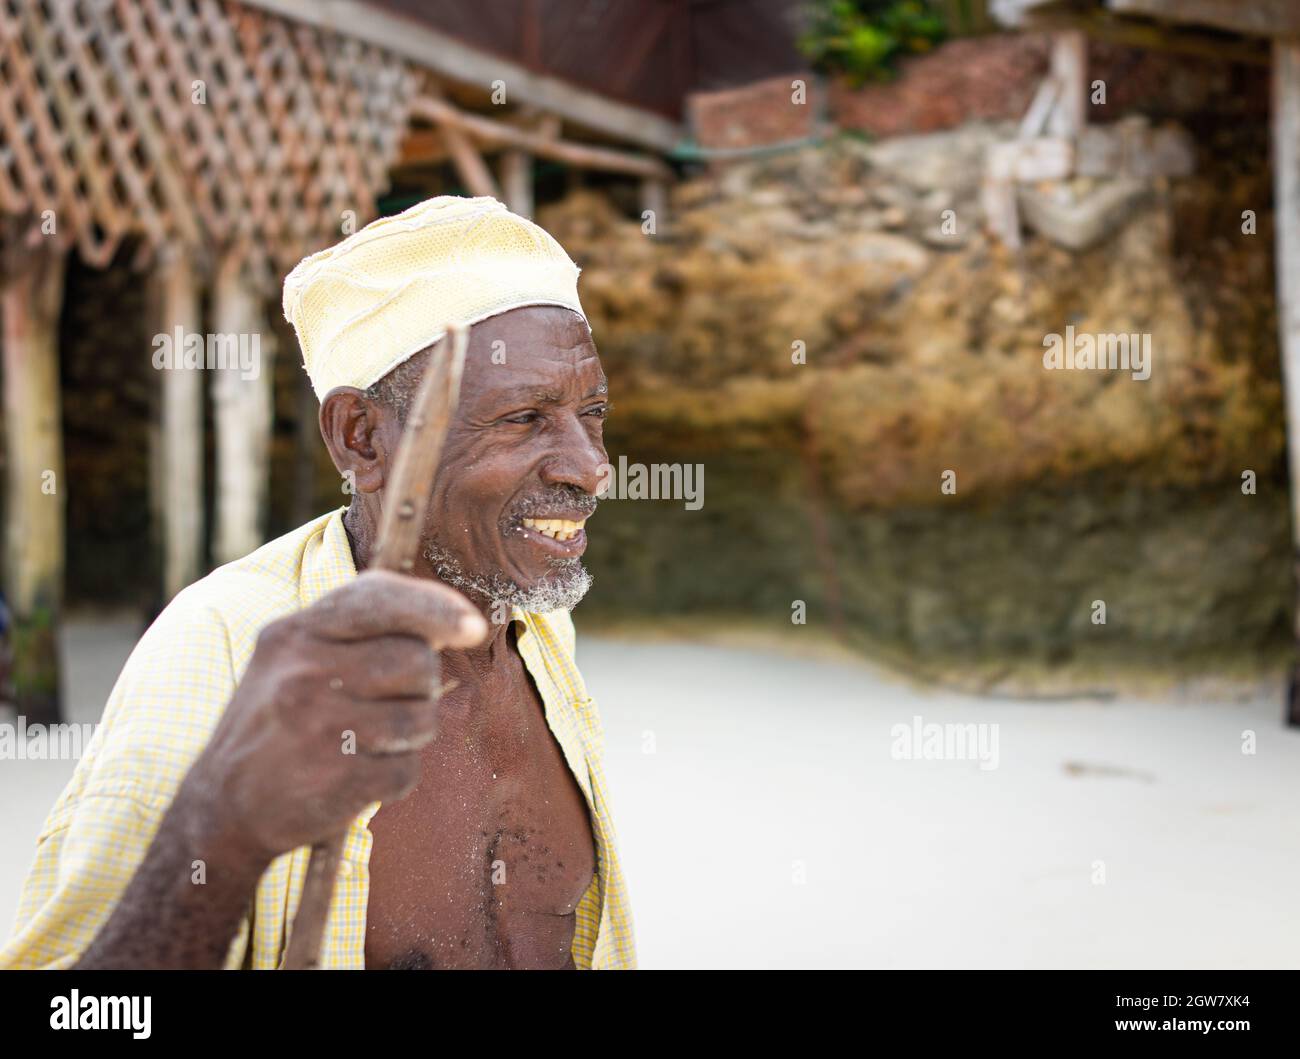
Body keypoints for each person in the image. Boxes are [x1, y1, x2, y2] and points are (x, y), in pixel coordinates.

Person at [1, 196, 635, 969]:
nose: (590, 467)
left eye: (591, 411)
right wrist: (221, 833)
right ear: (361, 437)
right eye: (524, 418)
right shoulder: (224, 654)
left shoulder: (537, 634)